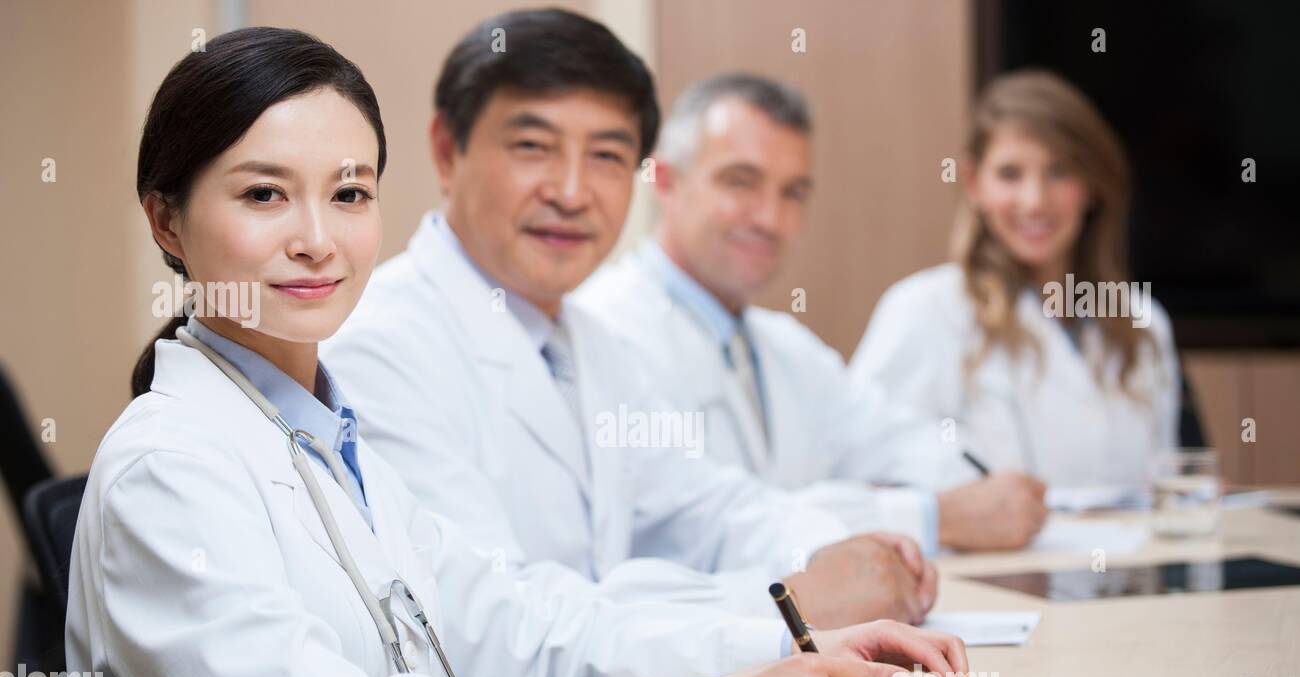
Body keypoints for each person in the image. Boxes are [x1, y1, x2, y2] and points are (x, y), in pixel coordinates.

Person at [67, 27, 967, 677]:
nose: (316, 239)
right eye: (264, 194)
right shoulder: (170, 469)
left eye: (349, 194)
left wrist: (791, 645)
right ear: (167, 220)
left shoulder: (323, 439)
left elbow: (524, 629)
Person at [324, 9, 938, 629]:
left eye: (607, 156)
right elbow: (493, 626)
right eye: (533, 147)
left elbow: (704, 506)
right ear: (446, 151)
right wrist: (787, 604)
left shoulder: (591, 344)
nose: (570, 192)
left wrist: (830, 550)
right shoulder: (378, 347)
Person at [579, 73, 1048, 553]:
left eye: (793, 193)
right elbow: (700, 522)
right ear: (666, 179)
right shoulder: (605, 330)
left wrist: (988, 486)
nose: (770, 218)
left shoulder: (782, 347)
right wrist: (927, 517)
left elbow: (892, 437)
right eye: (741, 182)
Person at [848, 70, 1180, 489]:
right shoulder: (926, 309)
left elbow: (1172, 493)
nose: (1034, 200)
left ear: (1092, 186)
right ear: (974, 184)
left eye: (1059, 171)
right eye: (1010, 174)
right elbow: (861, 470)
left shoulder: (1142, 322)